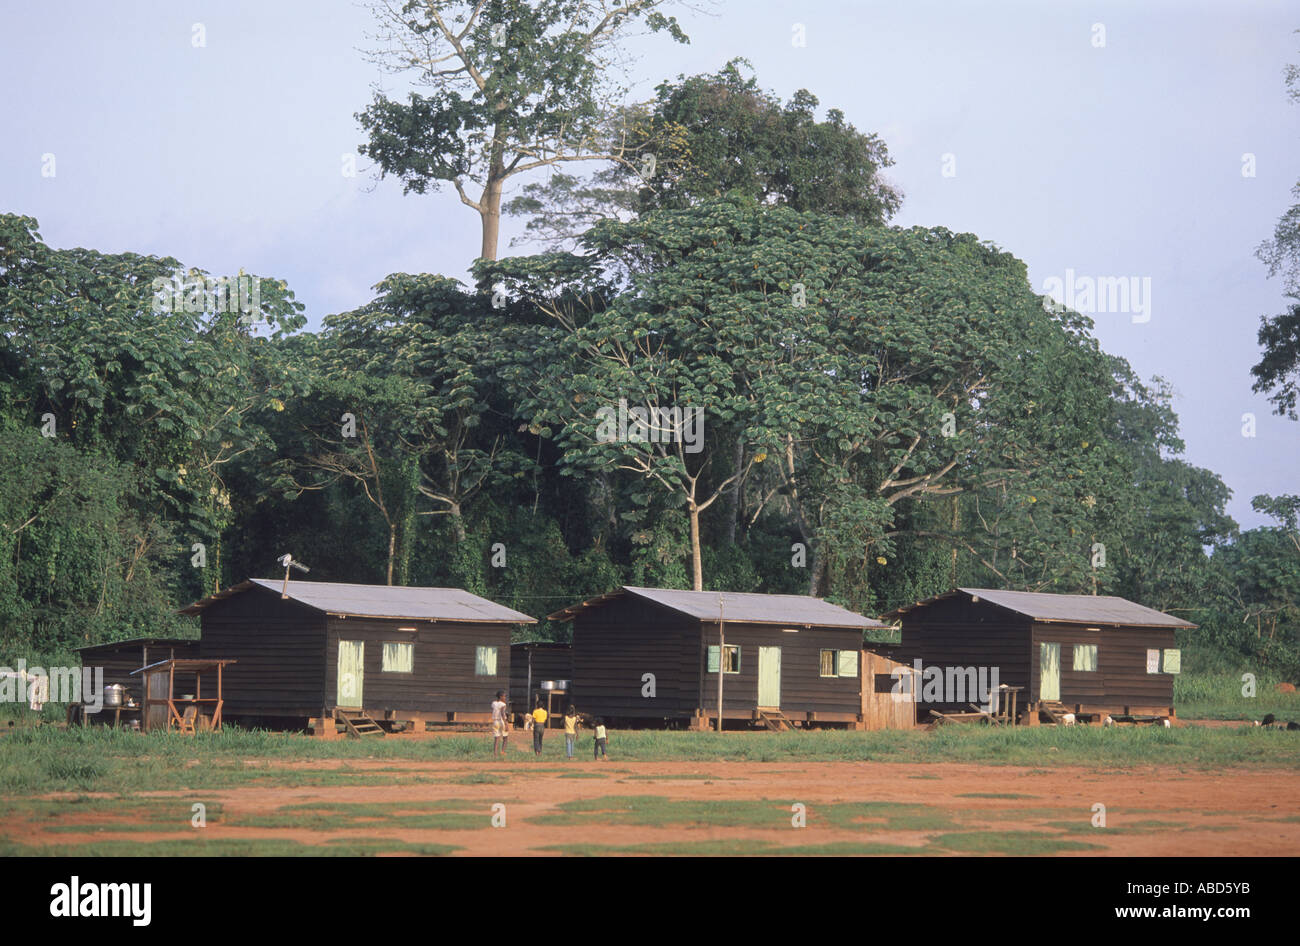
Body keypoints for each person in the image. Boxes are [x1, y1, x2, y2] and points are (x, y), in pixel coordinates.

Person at [490, 691, 509, 758]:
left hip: (495, 722)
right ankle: (503, 751)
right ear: (500, 697)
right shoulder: (503, 704)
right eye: (504, 696)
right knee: (505, 737)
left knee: (496, 738)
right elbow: (503, 713)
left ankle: (495, 753)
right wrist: (506, 723)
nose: (505, 698)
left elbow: (494, 709)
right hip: (501, 722)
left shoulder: (493, 703)